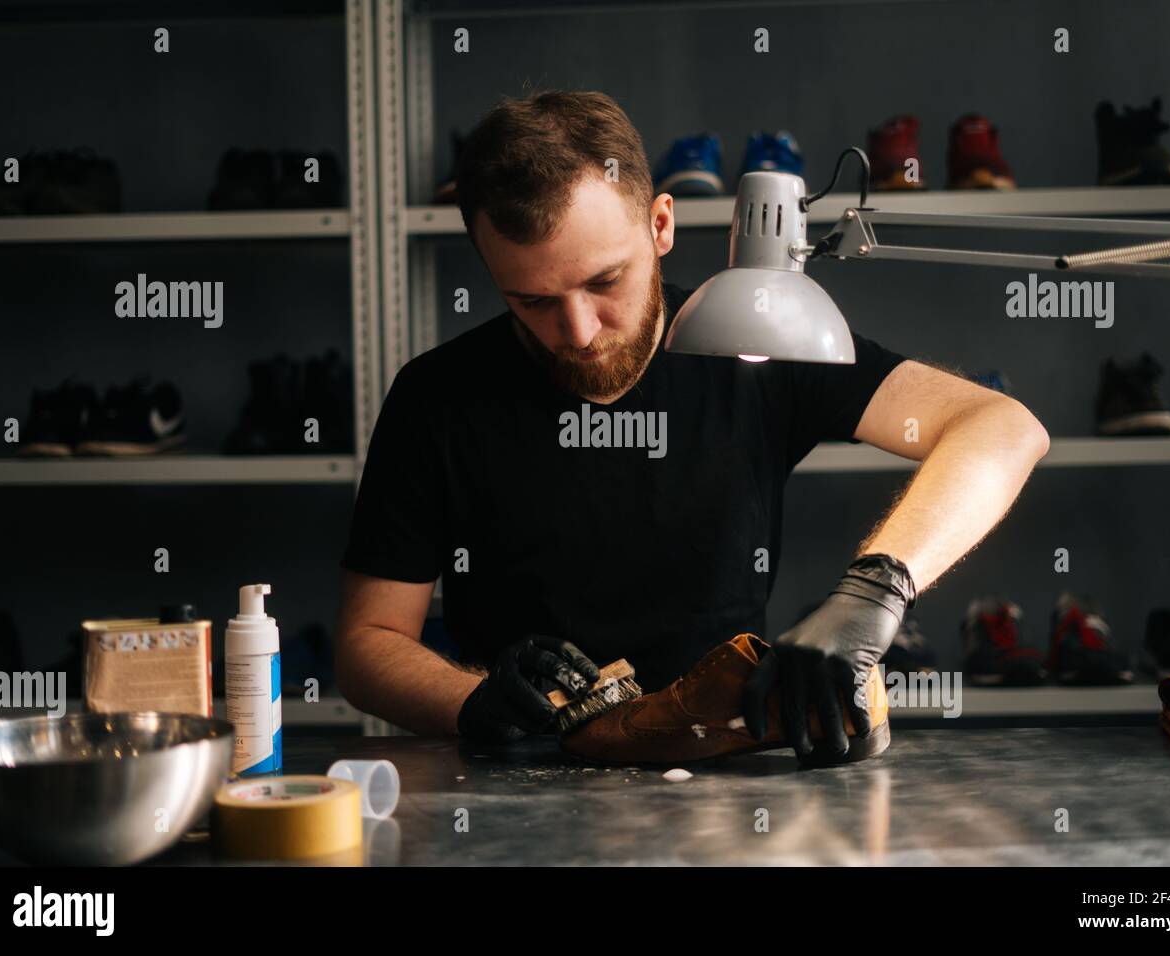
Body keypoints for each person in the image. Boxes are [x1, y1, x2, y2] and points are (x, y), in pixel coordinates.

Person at [336, 90, 1049, 762]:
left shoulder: (757, 342)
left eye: (604, 282)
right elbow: (368, 644)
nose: (578, 332)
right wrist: (475, 701)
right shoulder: (438, 396)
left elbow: (1002, 427)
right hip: (520, 779)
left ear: (661, 224)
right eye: (532, 301)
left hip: (727, 776)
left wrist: (875, 591)